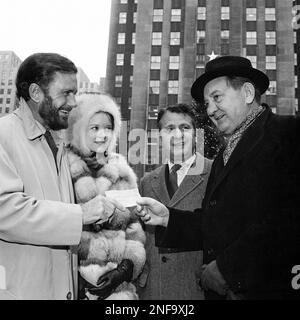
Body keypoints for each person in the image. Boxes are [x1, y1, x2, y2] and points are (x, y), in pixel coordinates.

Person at [136, 55, 300, 300]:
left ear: (246, 93)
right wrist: (169, 218)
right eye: (206, 103)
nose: (210, 110)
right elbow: (215, 223)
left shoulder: (288, 134)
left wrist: (227, 268)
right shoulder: (225, 155)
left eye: (217, 98)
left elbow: (289, 217)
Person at [0, 53, 124, 300]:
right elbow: (5, 210)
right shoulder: (3, 135)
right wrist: (83, 213)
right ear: (36, 93)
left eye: (74, 92)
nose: (74, 101)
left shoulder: (55, 142)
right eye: (65, 93)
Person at [66, 94, 146, 300]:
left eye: (108, 128)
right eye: (94, 128)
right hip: (70, 284)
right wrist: (76, 273)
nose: (103, 134)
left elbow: (134, 227)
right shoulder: (61, 168)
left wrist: (127, 268)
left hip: (117, 290)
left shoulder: (121, 169)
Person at [137, 104, 212, 300]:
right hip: (153, 292)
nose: (178, 134)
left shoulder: (215, 173)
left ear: (196, 134)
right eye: (170, 128)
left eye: (185, 127)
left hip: (195, 290)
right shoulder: (146, 182)